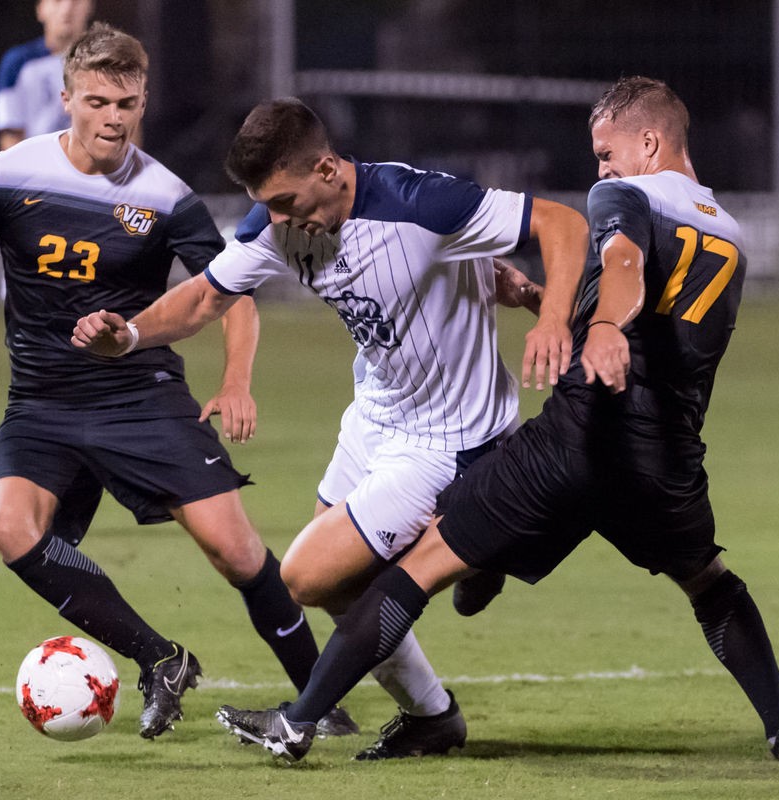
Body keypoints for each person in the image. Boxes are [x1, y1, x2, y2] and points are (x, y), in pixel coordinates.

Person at [211, 77, 779, 763]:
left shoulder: (625, 195)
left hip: (579, 439)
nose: (600, 168)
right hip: (667, 458)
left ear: (649, 142)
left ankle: (301, 721)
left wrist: (599, 323)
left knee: (420, 563)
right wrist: (541, 300)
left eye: (607, 151)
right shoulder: (729, 233)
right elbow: (658, 342)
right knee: (709, 580)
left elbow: (620, 267)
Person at [72, 97, 588, 759]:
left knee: (307, 577)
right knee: (341, 586)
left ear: (327, 168)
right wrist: (134, 334)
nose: (279, 219)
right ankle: (433, 714)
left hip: (448, 439)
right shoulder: (279, 222)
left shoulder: (416, 201)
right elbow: (206, 295)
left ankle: (480, 542)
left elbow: (563, 223)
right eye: (268, 205)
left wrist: (551, 318)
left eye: (286, 201)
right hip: (375, 415)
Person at [0, 24, 353, 741]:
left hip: (139, 399)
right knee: (8, 527)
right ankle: (160, 660)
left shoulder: (165, 196)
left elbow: (231, 296)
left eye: (129, 102)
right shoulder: (11, 173)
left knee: (237, 554)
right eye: (99, 101)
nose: (115, 117)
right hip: (42, 405)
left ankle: (321, 700)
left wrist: (236, 381)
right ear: (66, 100)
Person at [0, 0, 94, 151]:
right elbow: (9, 136)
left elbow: (127, 128)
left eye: (76, 1)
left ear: (89, 7)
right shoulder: (17, 63)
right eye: (57, 1)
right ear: (40, 9)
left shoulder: (109, 63)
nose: (67, 9)